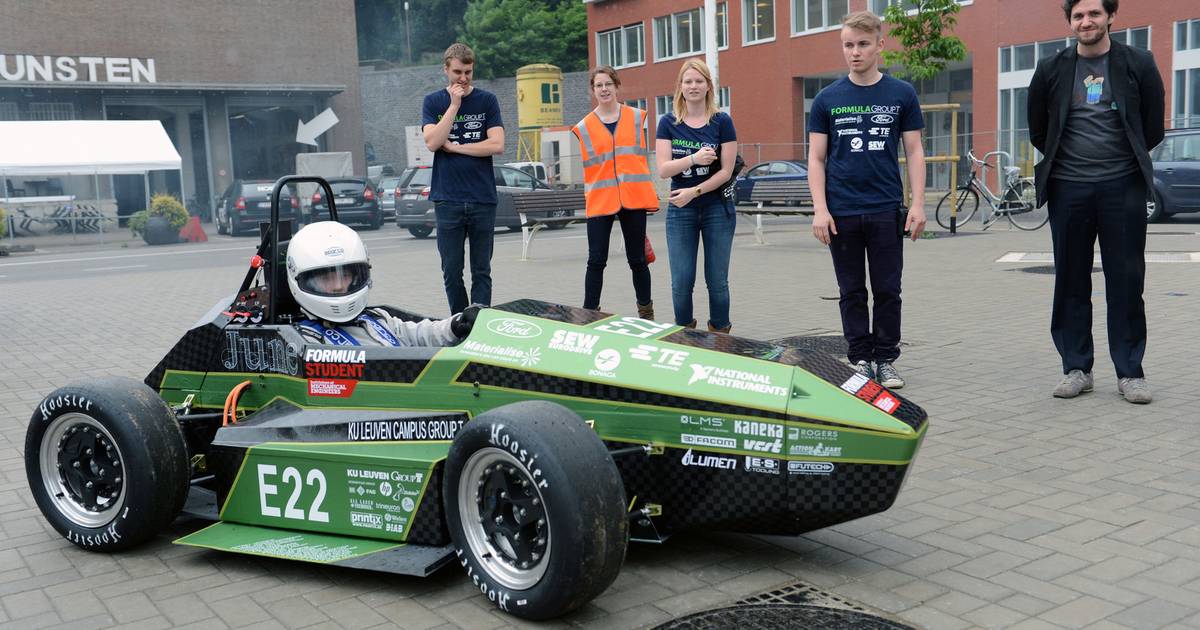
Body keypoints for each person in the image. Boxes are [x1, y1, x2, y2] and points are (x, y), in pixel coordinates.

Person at [1028, 0, 1164, 404]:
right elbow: (1039, 129)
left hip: (1122, 187)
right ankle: (1076, 368)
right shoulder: (1051, 69)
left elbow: (1152, 126)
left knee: (1126, 280)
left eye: (1094, 14)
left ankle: (1130, 373)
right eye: (1078, 16)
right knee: (1070, 278)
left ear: (1110, 17)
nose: (1086, 22)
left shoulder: (1138, 63)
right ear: (1070, 22)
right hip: (1068, 188)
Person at [808, 10, 926, 389]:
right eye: (848, 45)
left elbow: (914, 151)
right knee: (851, 290)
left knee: (888, 289)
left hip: (885, 208)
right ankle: (859, 357)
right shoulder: (827, 99)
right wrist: (820, 210)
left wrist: (919, 204)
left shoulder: (901, 94)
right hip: (841, 211)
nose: (854, 52)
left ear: (879, 44)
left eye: (862, 44)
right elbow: (816, 158)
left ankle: (886, 359)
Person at [287, 221, 478, 346]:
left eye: (344, 275)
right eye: (326, 278)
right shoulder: (306, 339)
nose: (338, 285)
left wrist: (456, 325)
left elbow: (417, 335)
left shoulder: (375, 318)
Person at [654, 59, 739, 333]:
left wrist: (695, 191)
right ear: (680, 87)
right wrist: (693, 158)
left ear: (708, 86)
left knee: (717, 282)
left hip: (717, 209)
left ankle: (721, 338)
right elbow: (664, 169)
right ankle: (684, 336)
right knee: (681, 282)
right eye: (688, 81)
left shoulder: (722, 121)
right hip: (681, 212)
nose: (693, 86)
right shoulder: (668, 123)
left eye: (699, 81)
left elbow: (726, 171)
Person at [422, 42, 505, 315]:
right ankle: (458, 324)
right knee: (451, 270)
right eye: (458, 71)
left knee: (482, 270)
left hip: (482, 199)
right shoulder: (433, 102)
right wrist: (454, 105)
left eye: (468, 72)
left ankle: (479, 324)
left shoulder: (487, 101)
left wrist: (457, 148)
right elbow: (433, 142)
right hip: (448, 199)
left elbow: (496, 145)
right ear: (445, 69)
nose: (464, 78)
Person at [572, 66, 659, 319]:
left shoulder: (635, 117)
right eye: (599, 85)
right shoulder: (584, 127)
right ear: (593, 90)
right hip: (601, 200)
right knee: (596, 260)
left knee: (638, 260)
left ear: (617, 86)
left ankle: (646, 312)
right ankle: (589, 313)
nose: (604, 89)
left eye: (608, 84)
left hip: (633, 197)